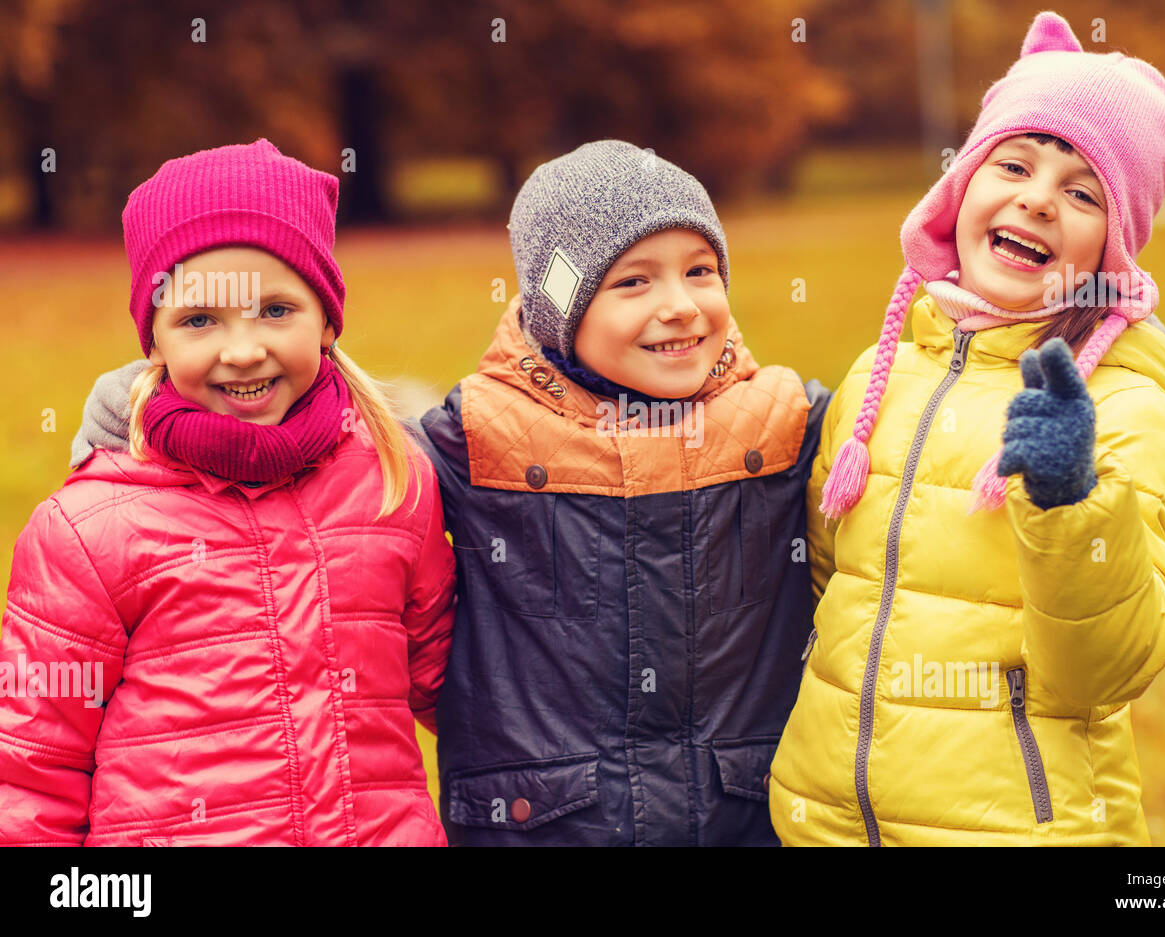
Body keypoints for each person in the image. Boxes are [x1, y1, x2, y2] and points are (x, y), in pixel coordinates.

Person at [769, 12, 1165, 845]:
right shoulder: (881, 373)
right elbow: (822, 587)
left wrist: (1067, 503)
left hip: (1020, 828)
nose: (1037, 198)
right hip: (830, 820)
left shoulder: (1124, 405)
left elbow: (1105, 669)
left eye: (1083, 192)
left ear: (1114, 244)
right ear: (963, 187)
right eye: (1013, 163)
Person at [0, 140, 456, 846]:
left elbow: (463, 686)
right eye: (199, 320)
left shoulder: (394, 483)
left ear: (329, 320)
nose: (242, 349)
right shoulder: (90, 529)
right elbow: (31, 766)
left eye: (276, 309)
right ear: (153, 338)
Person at [417, 140, 830, 844]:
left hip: (745, 816)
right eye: (633, 282)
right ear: (559, 308)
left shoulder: (785, 422)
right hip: (546, 824)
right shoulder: (475, 439)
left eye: (700, 271)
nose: (679, 306)